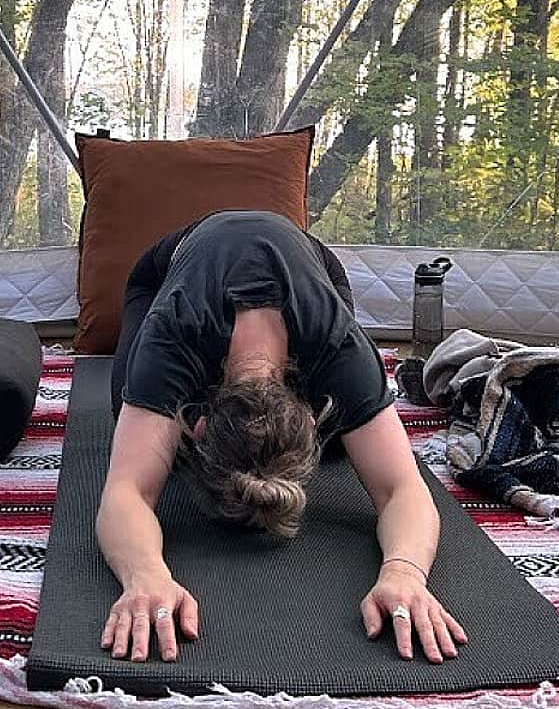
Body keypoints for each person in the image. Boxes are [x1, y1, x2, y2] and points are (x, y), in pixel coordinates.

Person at [97, 209, 467, 665]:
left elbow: (402, 489)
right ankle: (184, 438)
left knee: (346, 438)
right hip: (165, 269)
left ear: (311, 419)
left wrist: (405, 572)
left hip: (315, 263)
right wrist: (145, 576)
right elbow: (126, 491)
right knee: (130, 407)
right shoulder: (173, 334)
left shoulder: (338, 348)